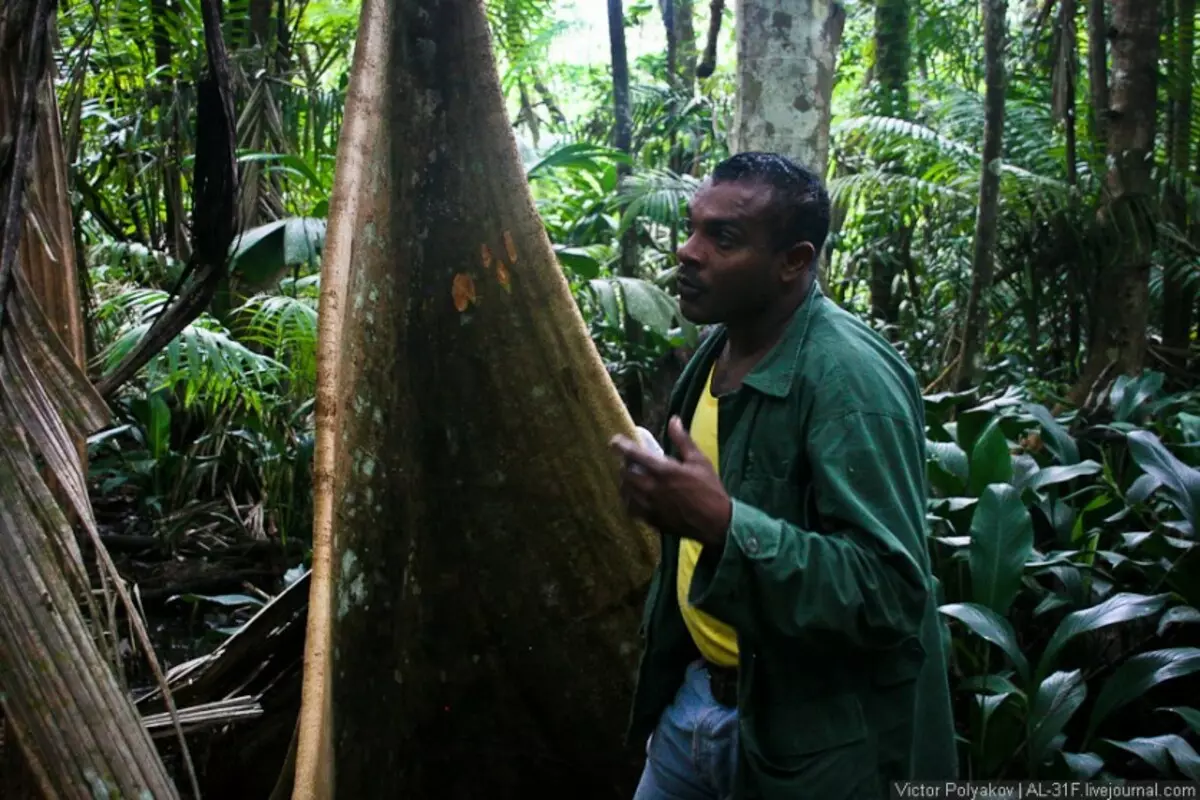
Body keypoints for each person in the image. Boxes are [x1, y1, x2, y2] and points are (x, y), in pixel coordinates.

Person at [609, 152, 958, 800]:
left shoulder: (848, 380)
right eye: (692, 228)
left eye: (723, 238)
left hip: (807, 739)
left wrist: (722, 524)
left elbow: (891, 592)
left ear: (794, 261)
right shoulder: (716, 349)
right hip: (695, 705)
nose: (688, 251)